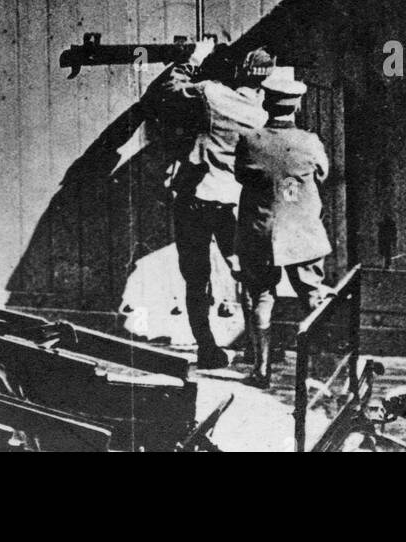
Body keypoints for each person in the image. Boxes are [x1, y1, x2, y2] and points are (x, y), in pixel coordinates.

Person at [142, 41, 273, 369]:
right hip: (233, 203)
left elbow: (167, 90)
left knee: (196, 280)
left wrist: (192, 59)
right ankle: (257, 350)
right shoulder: (261, 113)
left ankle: (207, 349)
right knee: (245, 274)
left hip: (195, 200)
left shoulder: (211, 94)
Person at [235, 71, 331, 387]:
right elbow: (322, 174)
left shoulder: (250, 141)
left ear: (266, 102)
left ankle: (261, 371)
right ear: (297, 105)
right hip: (302, 234)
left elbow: (242, 177)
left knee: (261, 298)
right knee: (312, 297)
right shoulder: (310, 142)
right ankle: (318, 371)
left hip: (261, 234)